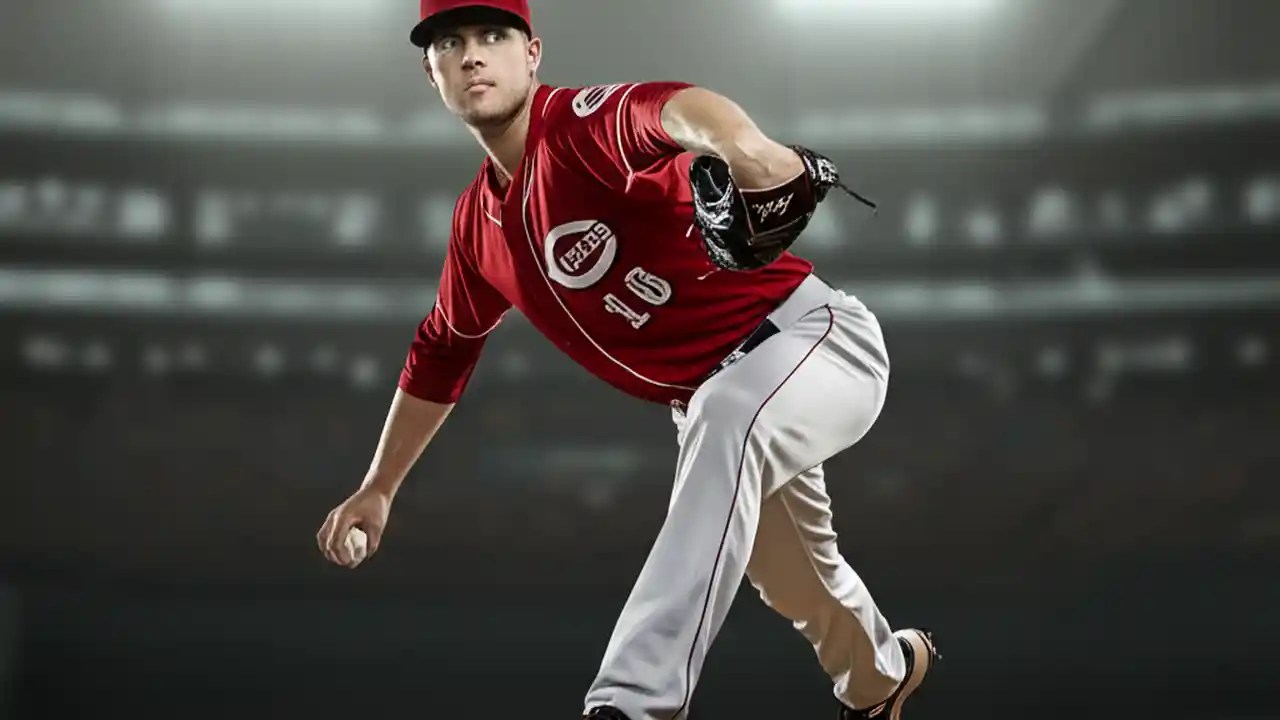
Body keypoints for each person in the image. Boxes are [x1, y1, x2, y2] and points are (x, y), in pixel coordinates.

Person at [316, 1, 938, 718]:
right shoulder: (475, 228)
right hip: (720, 403)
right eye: (449, 42)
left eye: (494, 35)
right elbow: (443, 348)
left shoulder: (580, 125)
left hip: (814, 341)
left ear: (533, 53)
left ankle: (634, 701)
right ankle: (883, 676)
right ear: (431, 75)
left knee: (728, 415)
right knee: (797, 579)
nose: (473, 55)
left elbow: (673, 111)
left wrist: (750, 151)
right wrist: (380, 486)